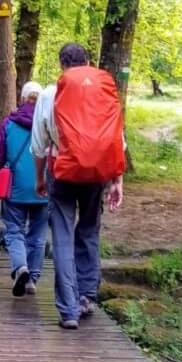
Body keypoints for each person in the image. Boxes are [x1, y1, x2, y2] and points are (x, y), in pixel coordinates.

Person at [32, 43, 126, 329]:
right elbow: (116, 137)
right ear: (87, 62)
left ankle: (68, 310)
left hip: (61, 173)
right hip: (97, 173)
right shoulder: (102, 90)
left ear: (62, 66)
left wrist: (39, 179)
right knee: (88, 231)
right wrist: (117, 180)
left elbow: (39, 144)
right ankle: (87, 295)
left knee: (61, 237)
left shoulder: (50, 93)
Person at [0, 81, 49, 298]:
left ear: (22, 99)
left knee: (15, 231)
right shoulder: (50, 123)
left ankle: (20, 267)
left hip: (15, 188)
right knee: (38, 236)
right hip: (44, 187)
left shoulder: (9, 124)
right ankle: (32, 278)